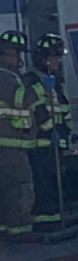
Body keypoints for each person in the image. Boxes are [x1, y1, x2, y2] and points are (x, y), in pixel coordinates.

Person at [25, 34, 75, 232]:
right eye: (55, 57)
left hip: (56, 139)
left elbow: (61, 108)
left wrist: (65, 131)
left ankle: (55, 218)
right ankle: (46, 222)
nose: (58, 61)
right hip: (42, 142)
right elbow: (36, 109)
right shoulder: (32, 81)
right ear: (45, 58)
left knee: (55, 180)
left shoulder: (53, 80)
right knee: (44, 183)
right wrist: (49, 129)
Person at [0, 31, 38, 242]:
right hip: (11, 146)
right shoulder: (8, 78)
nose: (19, 59)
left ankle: (5, 229)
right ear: (6, 53)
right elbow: (25, 101)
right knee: (19, 188)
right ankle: (21, 232)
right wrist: (32, 86)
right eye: (17, 54)